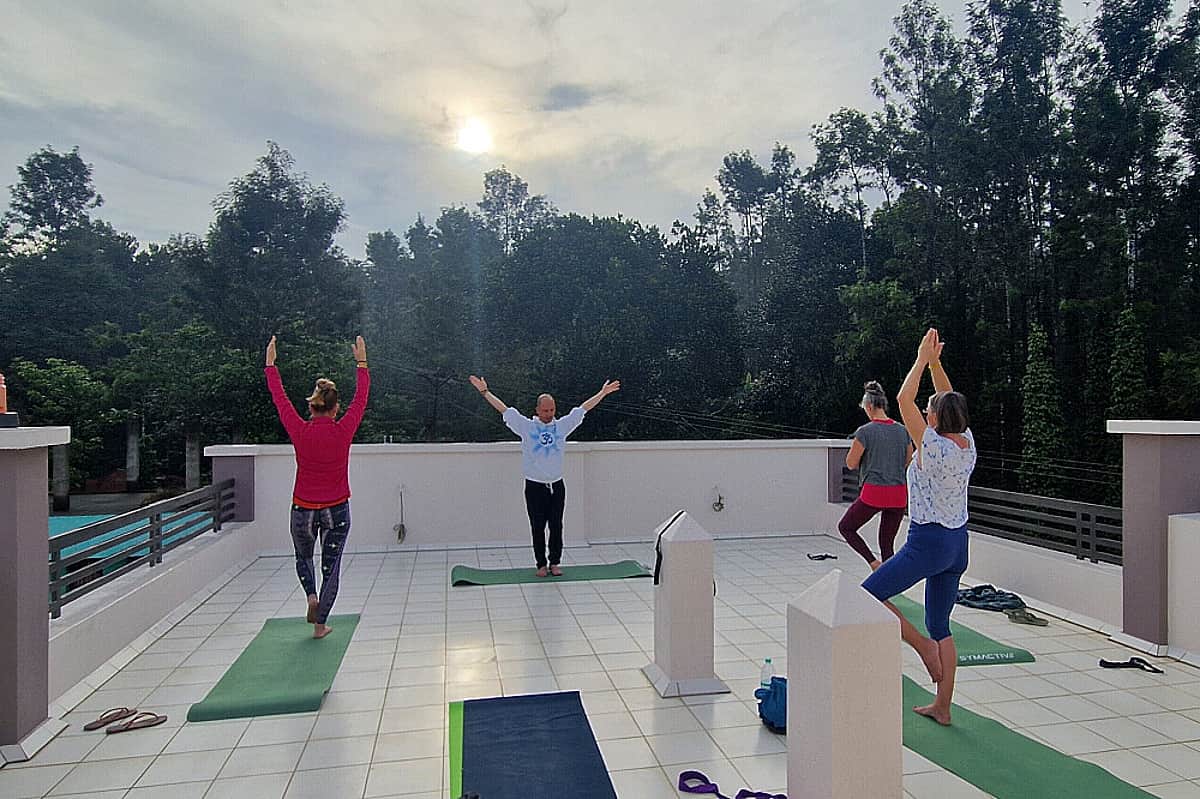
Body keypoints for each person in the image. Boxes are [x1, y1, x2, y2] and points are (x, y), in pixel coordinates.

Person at [862, 328, 975, 725]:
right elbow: (950, 401)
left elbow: (902, 399)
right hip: (958, 543)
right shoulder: (966, 443)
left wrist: (920, 359)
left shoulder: (932, 445)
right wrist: (937, 363)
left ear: (933, 418)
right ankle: (942, 707)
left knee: (868, 595)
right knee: (941, 622)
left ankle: (923, 648)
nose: (924, 412)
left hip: (927, 542)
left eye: (929, 411)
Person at [265, 335, 370, 638]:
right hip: (336, 508)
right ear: (336, 409)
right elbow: (361, 399)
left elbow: (280, 400)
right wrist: (361, 362)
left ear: (312, 408)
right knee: (331, 567)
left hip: (303, 509)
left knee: (303, 558)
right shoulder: (343, 429)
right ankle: (320, 624)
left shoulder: (299, 430)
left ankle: (311, 596)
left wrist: (270, 365)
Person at [469, 375, 620, 576]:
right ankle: (541, 564)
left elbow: (583, 409)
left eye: (552, 410)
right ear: (537, 410)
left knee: (556, 526)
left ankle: (555, 562)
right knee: (537, 526)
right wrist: (484, 391)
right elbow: (503, 409)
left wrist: (603, 393)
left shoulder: (562, 426)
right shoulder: (526, 426)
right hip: (534, 486)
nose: (549, 414)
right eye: (545, 410)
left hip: (556, 485)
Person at [839, 381, 913, 569]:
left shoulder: (865, 432)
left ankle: (873, 563)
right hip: (898, 494)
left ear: (869, 406)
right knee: (887, 545)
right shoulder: (902, 430)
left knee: (846, 527)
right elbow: (908, 460)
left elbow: (851, 463)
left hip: (874, 493)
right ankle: (890, 585)